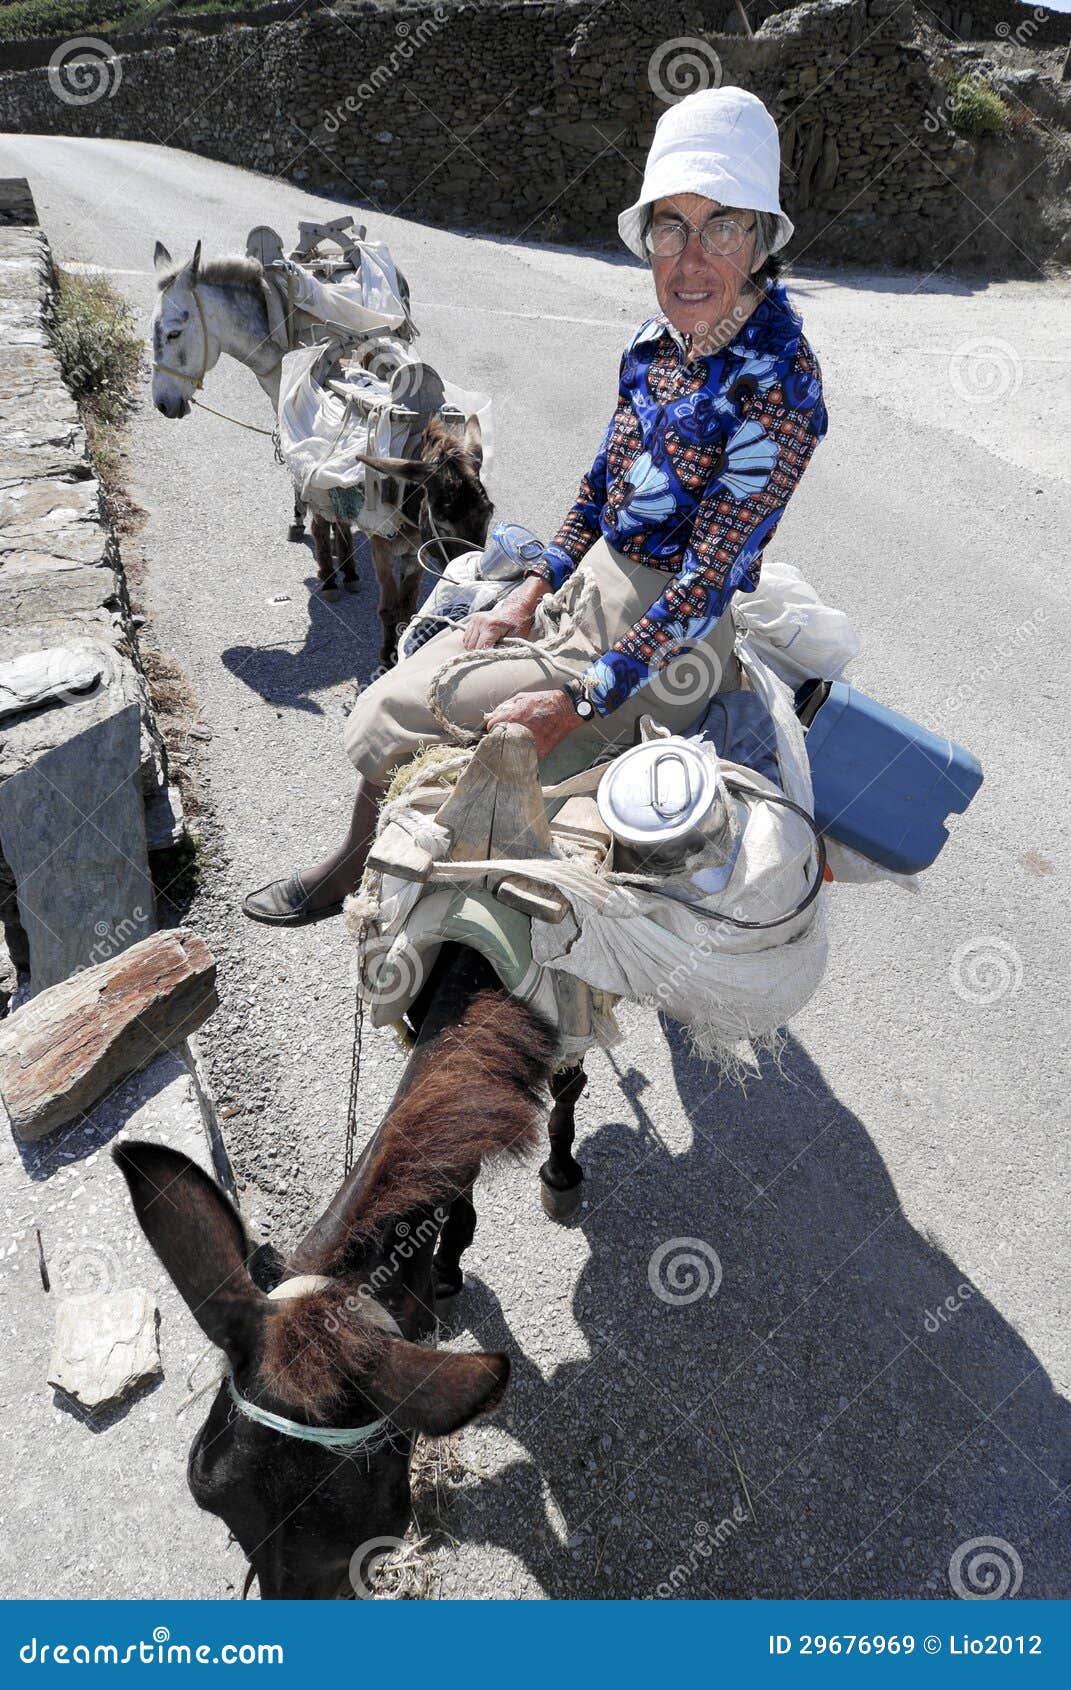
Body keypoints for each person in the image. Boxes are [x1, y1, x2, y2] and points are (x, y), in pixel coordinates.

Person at [243, 85, 829, 926]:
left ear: (762, 240)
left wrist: (579, 699)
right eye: (671, 226)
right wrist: (530, 589)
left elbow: (710, 576)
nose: (690, 259)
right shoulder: (650, 345)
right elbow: (602, 484)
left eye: (722, 226)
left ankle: (361, 873)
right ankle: (353, 865)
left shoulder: (781, 383)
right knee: (443, 651)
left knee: (389, 709)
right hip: (588, 587)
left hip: (672, 638)